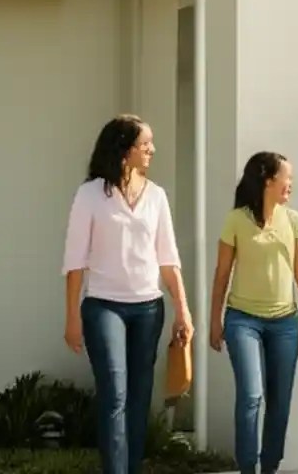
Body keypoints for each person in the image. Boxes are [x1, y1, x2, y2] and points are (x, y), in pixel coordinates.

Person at [62, 114, 194, 474]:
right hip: (103, 308)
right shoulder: (90, 194)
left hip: (149, 309)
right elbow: (75, 261)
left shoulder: (157, 196)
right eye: (145, 143)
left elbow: (168, 259)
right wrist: (71, 317)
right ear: (124, 149)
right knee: (114, 395)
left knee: (139, 399)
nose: (152, 149)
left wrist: (182, 310)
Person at [209, 152, 298, 474]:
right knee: (251, 395)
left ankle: (270, 466)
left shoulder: (294, 220)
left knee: (279, 401)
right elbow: (222, 274)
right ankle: (247, 467)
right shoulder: (236, 220)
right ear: (268, 180)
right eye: (286, 177)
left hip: (286, 323)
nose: (290, 184)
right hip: (243, 320)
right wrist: (214, 320)